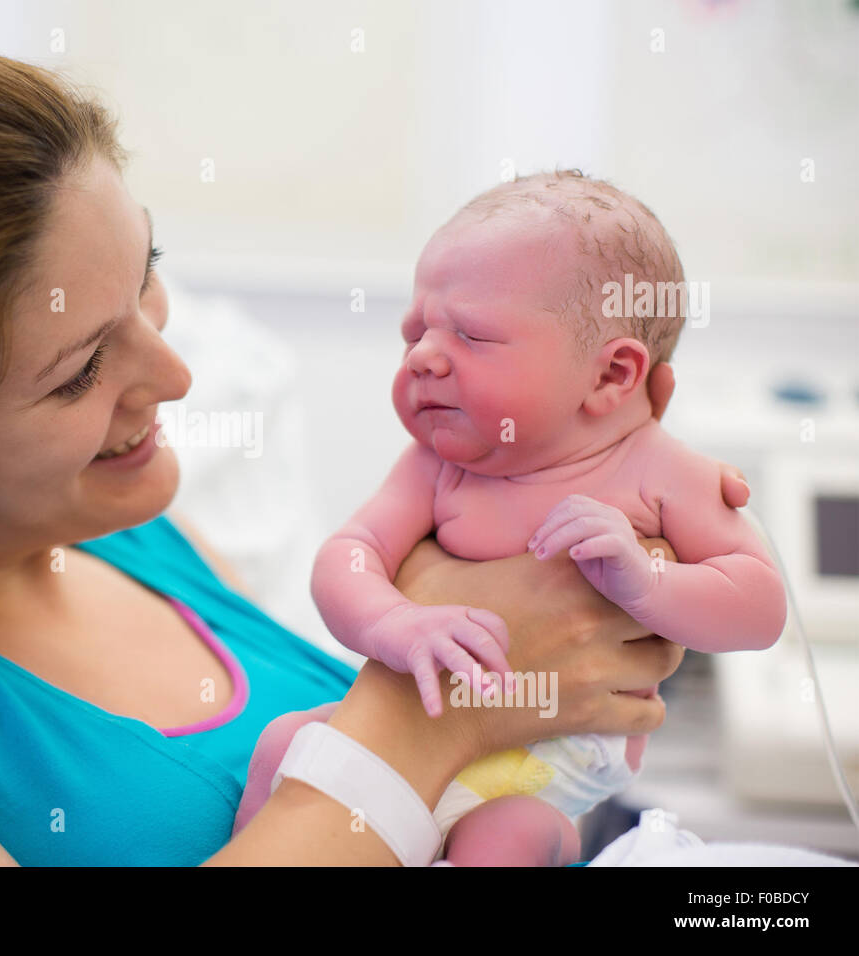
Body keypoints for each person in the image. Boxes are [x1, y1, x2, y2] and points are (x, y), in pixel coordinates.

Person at [0, 16, 746, 866]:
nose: (172, 375)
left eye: (148, 274)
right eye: (81, 367)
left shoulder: (129, 530)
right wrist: (423, 714)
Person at [236, 172, 787, 865]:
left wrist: (646, 580)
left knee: (506, 836)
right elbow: (351, 552)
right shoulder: (434, 466)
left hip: (548, 770)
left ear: (613, 376)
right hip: (415, 732)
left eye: (471, 334)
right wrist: (392, 623)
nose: (424, 357)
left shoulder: (662, 469)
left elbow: (761, 606)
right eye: (415, 334)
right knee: (286, 741)